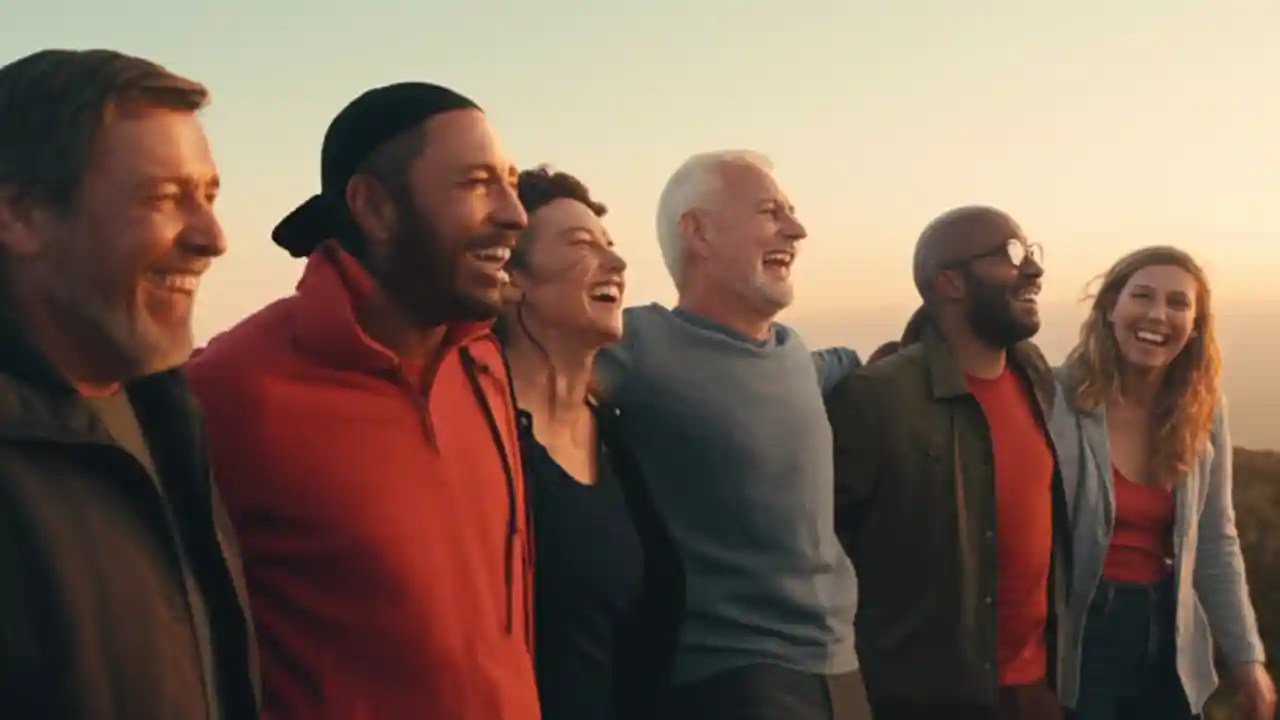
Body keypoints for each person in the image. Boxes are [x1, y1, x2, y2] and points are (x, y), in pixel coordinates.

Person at [184, 82, 539, 719]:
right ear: (372, 206)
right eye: (476, 183)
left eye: (509, 182)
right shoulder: (230, 389)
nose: (515, 213)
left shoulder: (484, 363)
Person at [0, 49, 259, 718]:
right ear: (20, 215)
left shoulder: (168, 416)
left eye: (208, 196)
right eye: (165, 198)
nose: (212, 236)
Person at [594, 150, 870, 720]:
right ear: (698, 232)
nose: (796, 230)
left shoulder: (793, 354)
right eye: (771, 212)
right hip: (735, 676)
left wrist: (888, 360)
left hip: (841, 668)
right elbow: (535, 363)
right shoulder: (639, 347)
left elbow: (838, 362)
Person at [825, 205, 1068, 719]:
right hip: (927, 701)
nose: (1034, 270)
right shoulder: (878, 400)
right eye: (1010, 254)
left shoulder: (1035, 376)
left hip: (1036, 690)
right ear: (949, 283)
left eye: (1030, 251)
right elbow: (824, 558)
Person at [1049, 246, 1275, 720]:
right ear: (1111, 308)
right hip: (1076, 640)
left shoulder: (1203, 411)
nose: (1158, 314)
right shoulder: (1055, 398)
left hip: (1172, 639)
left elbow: (1216, 541)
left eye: (1178, 303)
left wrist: (1245, 657)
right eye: (1143, 296)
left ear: (1195, 325)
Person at [500, 165, 684, 719]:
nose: (618, 264)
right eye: (582, 245)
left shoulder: (619, 435)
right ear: (512, 279)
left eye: (611, 245)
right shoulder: (478, 435)